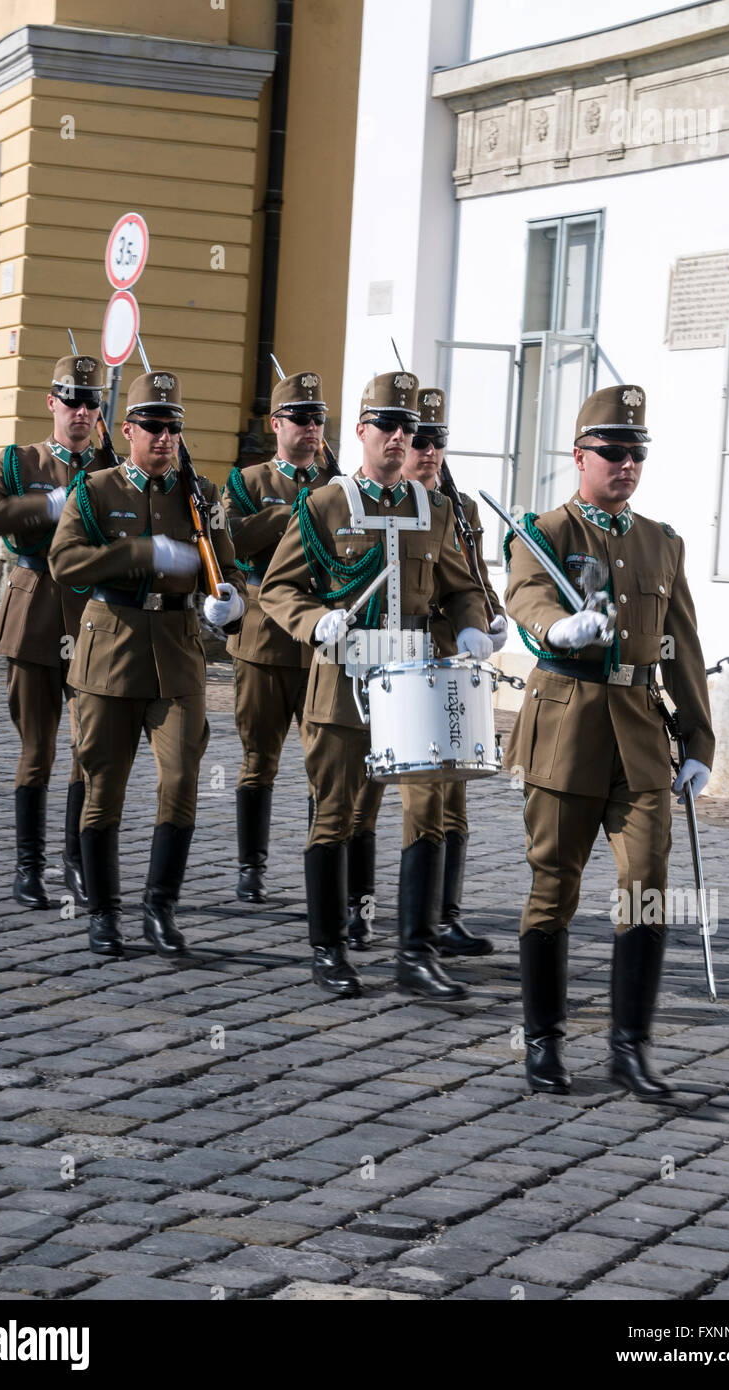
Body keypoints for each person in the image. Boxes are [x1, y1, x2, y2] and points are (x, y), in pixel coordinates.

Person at [504, 384, 714, 1099]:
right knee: (552, 887)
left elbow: (681, 645)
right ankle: (543, 1043)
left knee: (646, 889)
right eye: (612, 452)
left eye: (636, 453)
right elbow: (526, 595)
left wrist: (699, 740)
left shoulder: (661, 541)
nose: (626, 465)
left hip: (641, 736)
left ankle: (630, 1048)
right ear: (579, 455)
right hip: (565, 727)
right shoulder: (545, 530)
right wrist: (555, 629)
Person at [259, 370, 491, 1001]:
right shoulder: (324, 506)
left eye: (407, 428)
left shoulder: (436, 509)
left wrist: (470, 626)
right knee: (334, 816)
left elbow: (461, 587)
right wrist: (315, 621)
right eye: (386, 426)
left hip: (415, 676)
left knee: (428, 816)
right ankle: (329, 948)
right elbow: (279, 589)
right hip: (344, 675)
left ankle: (417, 952)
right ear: (360, 431)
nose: (398, 438)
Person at [49, 371, 246, 958]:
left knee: (181, 778)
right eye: (154, 426)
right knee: (103, 785)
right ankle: (104, 913)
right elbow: (64, 563)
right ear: (128, 429)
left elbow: (227, 567)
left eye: (174, 427)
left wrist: (229, 599)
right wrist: (136, 553)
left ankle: (160, 909)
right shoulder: (96, 489)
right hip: (111, 649)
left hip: (180, 653)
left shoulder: (201, 494)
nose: (165, 437)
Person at [346, 387, 508, 957]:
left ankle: (443, 917)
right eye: (421, 440)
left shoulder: (456, 509)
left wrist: (491, 617)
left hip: (445, 662)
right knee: (363, 791)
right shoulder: (360, 502)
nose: (429, 450)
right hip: (384, 653)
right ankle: (355, 910)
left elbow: (474, 578)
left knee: (446, 792)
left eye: (438, 441)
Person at [0, 354, 114, 910]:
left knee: (90, 749)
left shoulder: (113, 467)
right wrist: (44, 504)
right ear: (51, 401)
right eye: (70, 400)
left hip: (99, 622)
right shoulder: (20, 461)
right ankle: (29, 867)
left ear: (101, 410)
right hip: (35, 615)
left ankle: (76, 863)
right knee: (38, 751)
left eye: (90, 402)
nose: (80, 411)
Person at [223, 371, 337, 902]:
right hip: (264, 638)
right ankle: (252, 865)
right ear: (276, 424)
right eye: (301, 418)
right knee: (258, 758)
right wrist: (299, 510)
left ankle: (323, 863)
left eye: (319, 419)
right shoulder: (247, 483)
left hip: (324, 639)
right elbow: (237, 541)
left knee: (326, 762)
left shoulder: (339, 483)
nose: (312, 428)